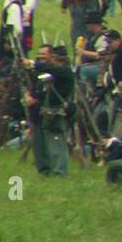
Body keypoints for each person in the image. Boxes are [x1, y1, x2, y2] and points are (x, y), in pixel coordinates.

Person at [25, 45, 75, 176]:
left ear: (59, 59)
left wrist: (32, 63)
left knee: (57, 142)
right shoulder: (56, 71)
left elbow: (50, 69)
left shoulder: (64, 71)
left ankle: (60, 171)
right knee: (50, 142)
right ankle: (52, 170)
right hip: (50, 111)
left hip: (58, 111)